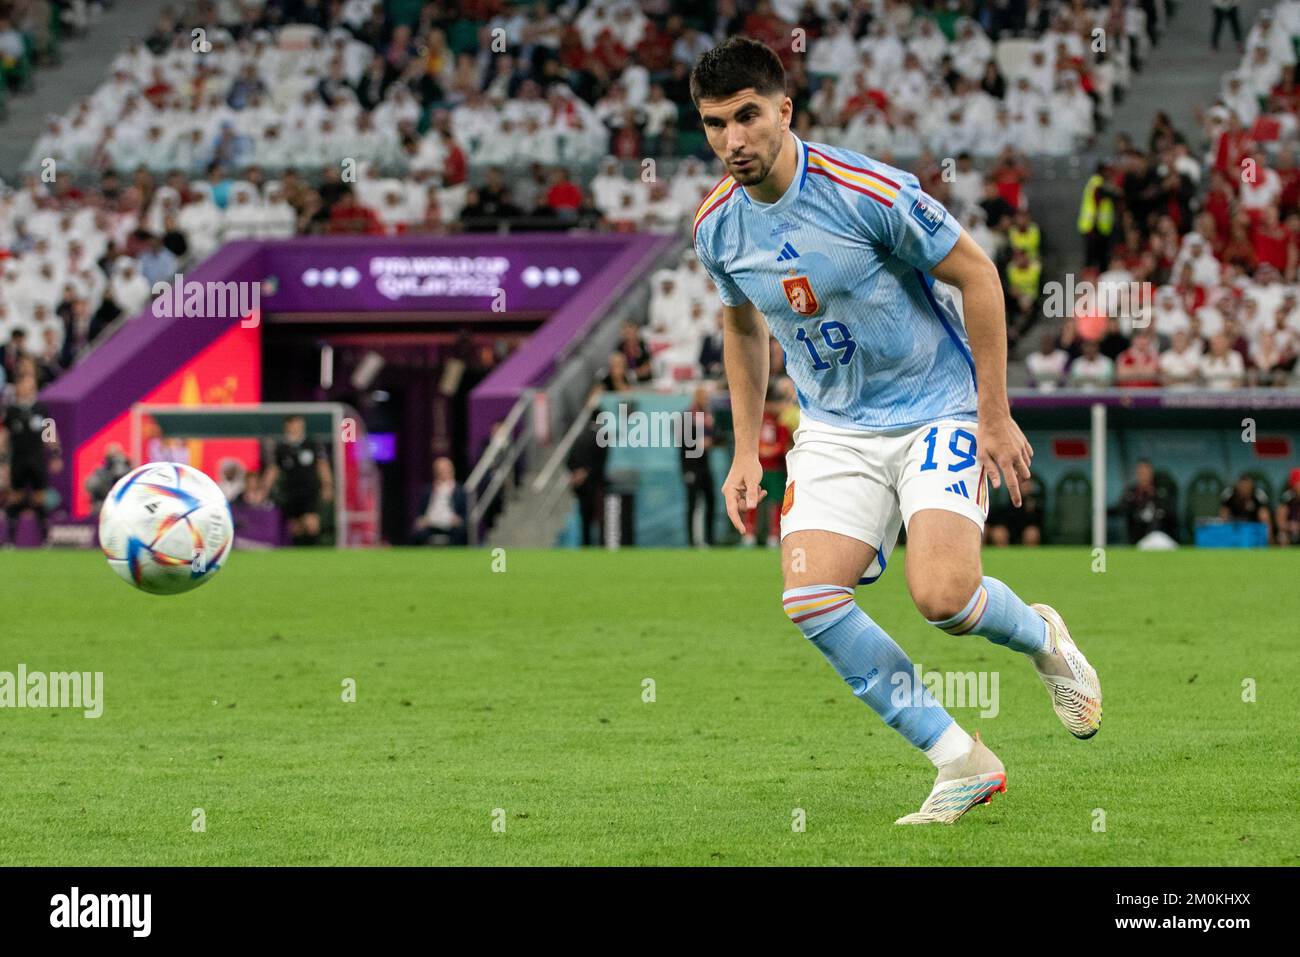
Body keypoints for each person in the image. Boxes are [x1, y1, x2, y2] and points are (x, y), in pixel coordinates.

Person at [689, 38, 1101, 826]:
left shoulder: (863, 190)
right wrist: (745, 446)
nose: (733, 141)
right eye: (714, 125)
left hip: (935, 407)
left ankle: (1042, 635)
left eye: (747, 116)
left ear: (783, 109)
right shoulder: (717, 227)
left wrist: (993, 412)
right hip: (835, 427)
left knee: (943, 597)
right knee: (809, 597)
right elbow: (742, 328)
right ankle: (960, 759)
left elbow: (977, 274)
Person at [1, 374, 61, 541]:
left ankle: (45, 540)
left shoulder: (41, 408)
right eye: (26, 383)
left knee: (39, 497)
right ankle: (10, 540)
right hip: (18, 459)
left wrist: (56, 454)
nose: (29, 387)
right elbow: (5, 435)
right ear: (19, 387)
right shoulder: (11, 410)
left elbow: (49, 433)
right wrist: (3, 460)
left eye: (32, 384)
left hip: (37, 459)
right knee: (15, 497)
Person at [262, 415, 333, 546]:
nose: (298, 427)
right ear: (287, 426)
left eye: (300, 424)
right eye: (294, 424)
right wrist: (265, 488)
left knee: (311, 524)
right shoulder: (281, 447)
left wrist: (327, 485)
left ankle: (316, 555)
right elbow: (273, 469)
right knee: (294, 528)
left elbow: (322, 465)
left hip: (310, 490)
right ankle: (297, 557)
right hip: (290, 491)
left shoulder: (312, 443)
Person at [681, 385, 716, 547]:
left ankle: (710, 539)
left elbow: (719, 438)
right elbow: (683, 444)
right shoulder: (687, 417)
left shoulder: (708, 417)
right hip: (691, 467)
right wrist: (699, 444)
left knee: (711, 501)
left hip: (705, 466)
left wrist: (711, 441)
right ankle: (691, 541)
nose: (705, 400)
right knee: (692, 504)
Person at [410, 457, 467, 546]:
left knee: (460, 532)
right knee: (416, 534)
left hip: (450, 525)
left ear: (451, 470)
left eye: (444, 469)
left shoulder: (460, 491)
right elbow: (420, 512)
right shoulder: (427, 490)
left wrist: (459, 519)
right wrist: (421, 520)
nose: (442, 472)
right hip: (431, 524)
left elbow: (465, 512)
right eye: (439, 470)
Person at [1120, 460, 1177, 544]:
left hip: (1161, 537)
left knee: (1158, 539)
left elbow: (1170, 515)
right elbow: (1122, 510)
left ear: (1151, 473)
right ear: (1137, 474)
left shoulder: (1161, 492)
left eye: (1146, 472)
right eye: (1141, 472)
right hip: (1137, 540)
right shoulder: (1131, 493)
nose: (1144, 476)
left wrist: (1154, 497)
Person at [86, 443, 133, 514]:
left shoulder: (130, 472)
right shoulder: (100, 472)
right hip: (105, 503)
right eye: (111, 457)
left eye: (116, 455)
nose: (114, 460)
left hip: (124, 505)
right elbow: (90, 486)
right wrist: (108, 477)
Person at [1276, 467, 1300, 545]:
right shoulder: (1287, 498)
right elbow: (1280, 523)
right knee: (1282, 536)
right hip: (1291, 532)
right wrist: (1290, 526)